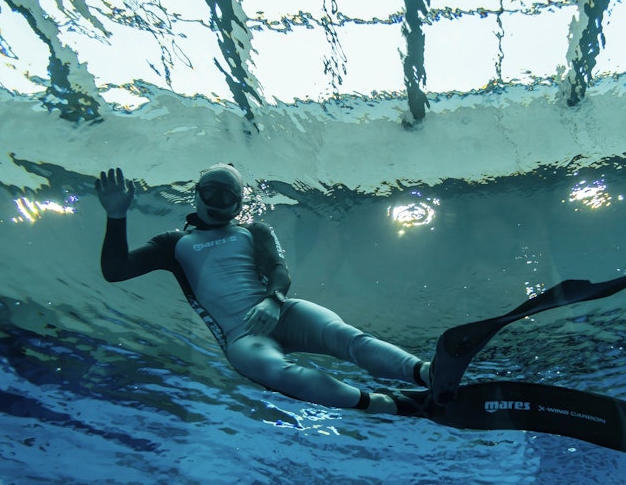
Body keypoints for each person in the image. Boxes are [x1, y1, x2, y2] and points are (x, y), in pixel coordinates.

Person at [95, 165, 431, 415]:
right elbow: (115, 270)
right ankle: (384, 404)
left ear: (238, 205)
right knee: (278, 373)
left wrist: (273, 300)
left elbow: (277, 270)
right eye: (209, 192)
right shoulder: (174, 243)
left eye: (225, 196)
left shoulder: (253, 231)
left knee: (347, 338)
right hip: (243, 338)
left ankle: (426, 372)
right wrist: (115, 215)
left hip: (283, 311)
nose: (216, 201)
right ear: (196, 194)